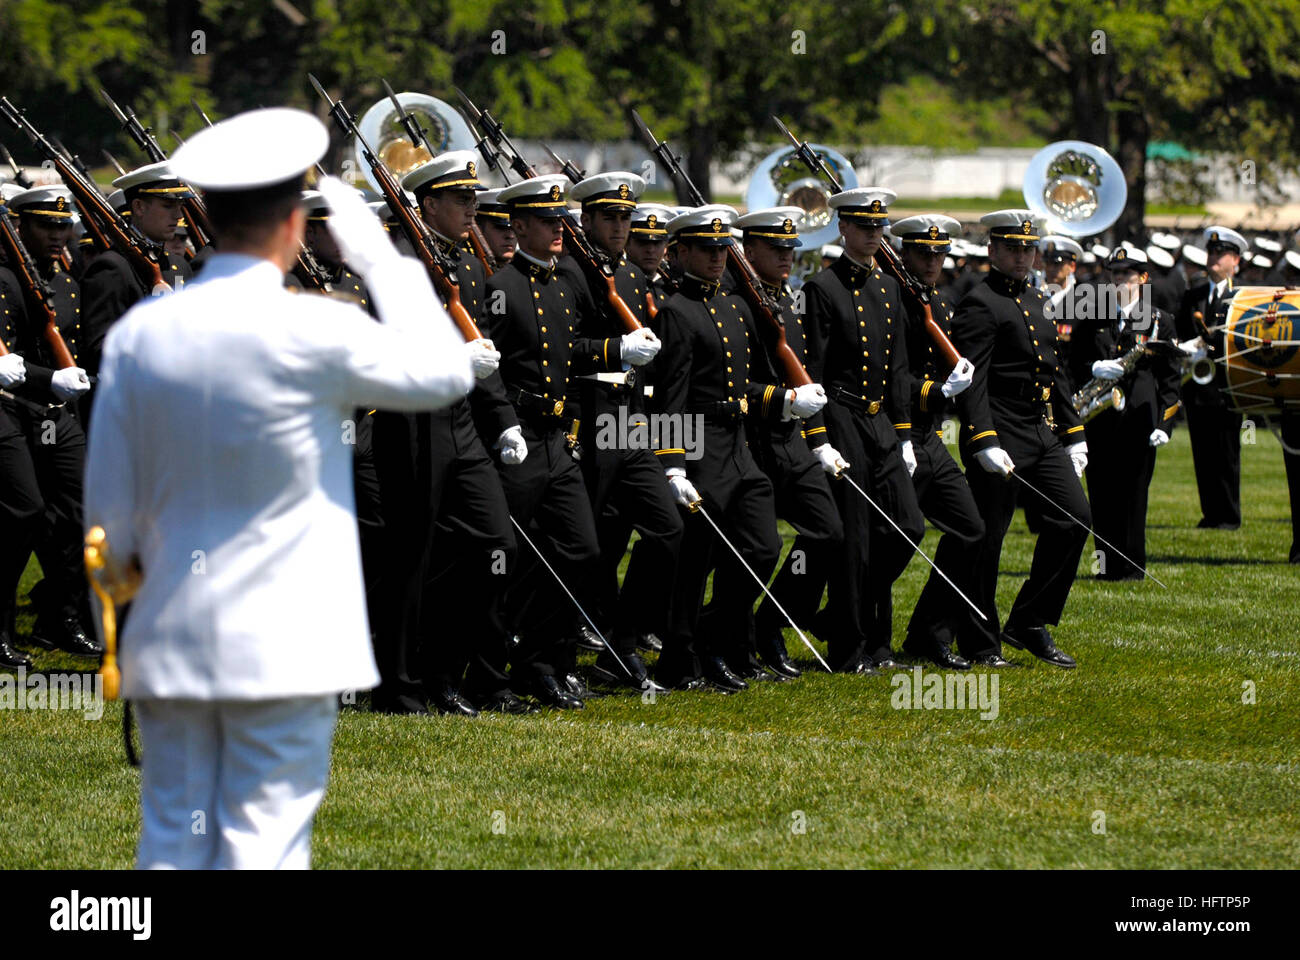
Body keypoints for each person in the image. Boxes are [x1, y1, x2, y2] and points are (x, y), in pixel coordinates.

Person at [83, 108, 475, 869]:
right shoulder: (312, 329)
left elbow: (109, 517)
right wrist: (384, 260)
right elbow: (447, 370)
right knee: (264, 843)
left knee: (170, 839)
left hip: (170, 634)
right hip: (285, 642)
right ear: (298, 223)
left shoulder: (142, 333)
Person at [651, 205, 821, 690]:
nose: (716, 258)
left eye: (722, 249)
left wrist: (785, 401)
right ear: (680, 251)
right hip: (702, 449)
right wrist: (673, 466)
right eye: (706, 250)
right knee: (694, 564)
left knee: (762, 549)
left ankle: (714, 637)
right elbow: (672, 399)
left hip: (740, 448)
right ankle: (680, 660)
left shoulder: (736, 307)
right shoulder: (675, 313)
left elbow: (744, 387)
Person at [943, 209, 1090, 668]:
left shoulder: (1038, 299)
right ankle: (979, 642)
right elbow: (973, 380)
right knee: (988, 540)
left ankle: (1029, 620)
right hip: (999, 432)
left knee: (1075, 518)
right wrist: (984, 439)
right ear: (993, 251)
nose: (1022, 256)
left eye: (1028, 248)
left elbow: (1056, 373)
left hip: (1038, 429)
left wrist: (1074, 433)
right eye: (1012, 248)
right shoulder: (979, 302)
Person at [803, 187, 923, 672]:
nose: (874, 234)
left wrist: (905, 433)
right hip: (842, 417)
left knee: (908, 525)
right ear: (843, 229)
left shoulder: (889, 287)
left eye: (879, 227)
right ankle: (856, 648)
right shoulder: (822, 289)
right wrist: (818, 438)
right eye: (864, 227)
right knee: (854, 538)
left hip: (880, 422)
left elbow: (897, 369)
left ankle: (839, 617)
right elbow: (811, 368)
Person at [727, 205, 844, 679]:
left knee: (827, 533)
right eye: (775, 249)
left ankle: (773, 620)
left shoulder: (787, 301)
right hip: (748, 440)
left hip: (790, 441)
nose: (786, 257)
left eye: (790, 249)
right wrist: (782, 400)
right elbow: (728, 387)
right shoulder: (733, 304)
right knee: (756, 546)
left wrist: (818, 440)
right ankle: (727, 633)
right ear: (748, 249)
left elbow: (806, 377)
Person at [886, 214, 982, 670]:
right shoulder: (887, 301)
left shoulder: (940, 304)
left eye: (939, 253)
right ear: (903, 252)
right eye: (923, 252)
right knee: (896, 535)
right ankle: (857, 629)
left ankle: (931, 633)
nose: (931, 260)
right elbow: (881, 378)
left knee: (970, 529)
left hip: (930, 436)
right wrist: (933, 391)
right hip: (891, 434)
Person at [8, 186, 97, 656]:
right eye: (47, 225)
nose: (59, 234)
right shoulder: (8, 279)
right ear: (20, 227)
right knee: (24, 515)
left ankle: (59, 616)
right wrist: (49, 379)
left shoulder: (63, 281)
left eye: (64, 225)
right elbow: (9, 356)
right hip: (19, 409)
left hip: (62, 416)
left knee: (81, 514)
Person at [1069, 245, 1181, 580]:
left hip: (1139, 419)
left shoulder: (1160, 320)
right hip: (1100, 418)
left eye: (1127, 274)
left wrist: (1166, 423)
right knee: (1101, 495)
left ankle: (1132, 568)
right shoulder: (1092, 317)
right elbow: (1072, 364)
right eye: (1115, 274)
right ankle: (1105, 567)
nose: (1119, 281)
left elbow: (1171, 380)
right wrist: (1093, 366)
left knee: (1134, 495)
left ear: (1143, 278)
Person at [1175, 225, 1246, 529]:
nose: (1214, 258)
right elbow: (1180, 331)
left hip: (1227, 385)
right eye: (1212, 252)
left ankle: (1228, 515)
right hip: (1197, 385)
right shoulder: (1193, 295)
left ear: (1236, 261)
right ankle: (1210, 513)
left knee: (1226, 453)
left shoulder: (1240, 296)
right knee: (1202, 453)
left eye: (1221, 253)